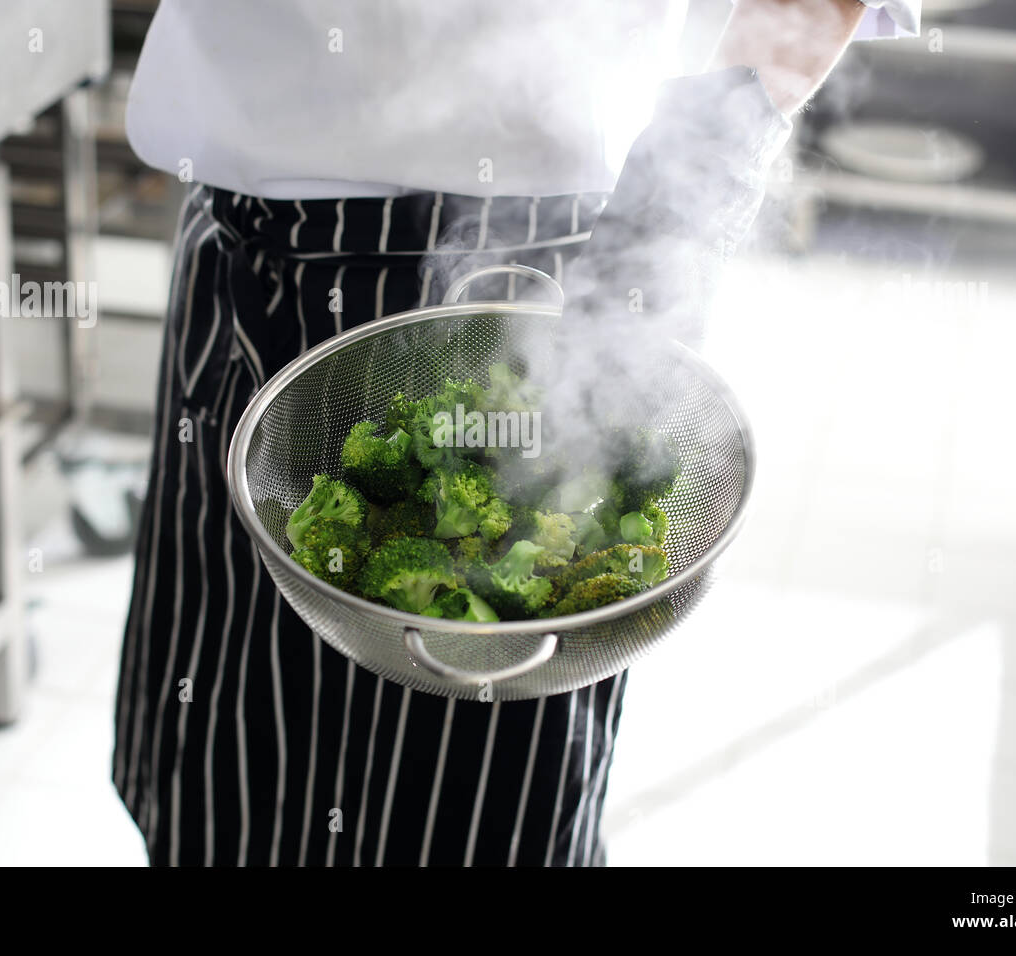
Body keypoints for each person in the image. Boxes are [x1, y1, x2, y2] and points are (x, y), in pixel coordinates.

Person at [114, 0, 922, 866]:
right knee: (231, 765)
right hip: (256, 244)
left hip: (575, 265)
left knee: (482, 815)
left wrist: (685, 198)